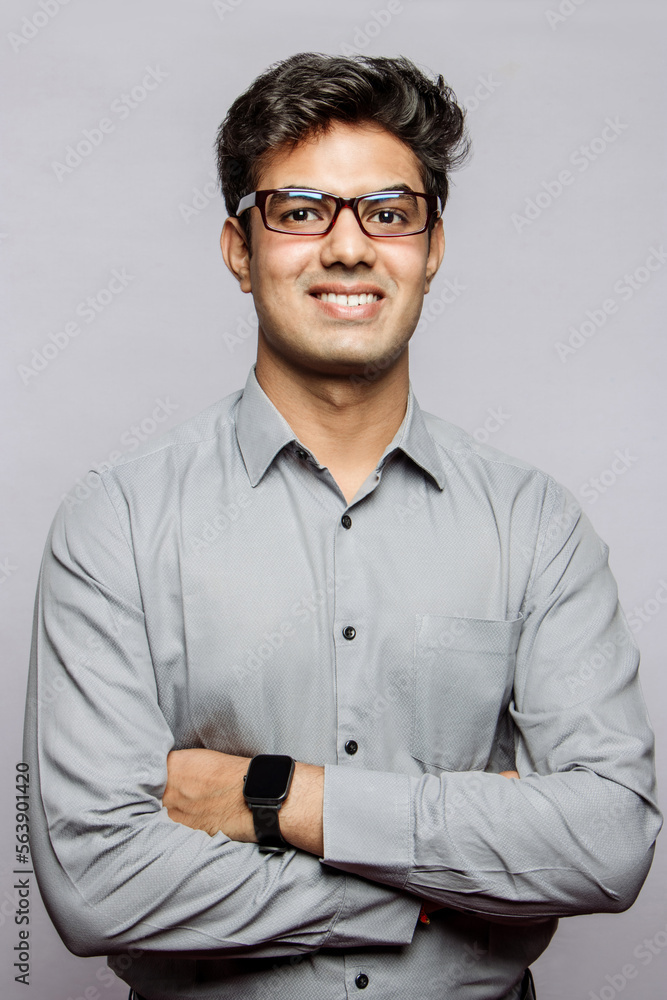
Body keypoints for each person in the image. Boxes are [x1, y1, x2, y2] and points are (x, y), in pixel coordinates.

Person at [24, 53, 661, 1000]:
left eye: (388, 213)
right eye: (301, 210)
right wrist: (431, 891)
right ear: (240, 248)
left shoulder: (535, 526)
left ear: (431, 247)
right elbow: (94, 883)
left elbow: (608, 843)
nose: (350, 248)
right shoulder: (114, 523)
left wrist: (279, 800)